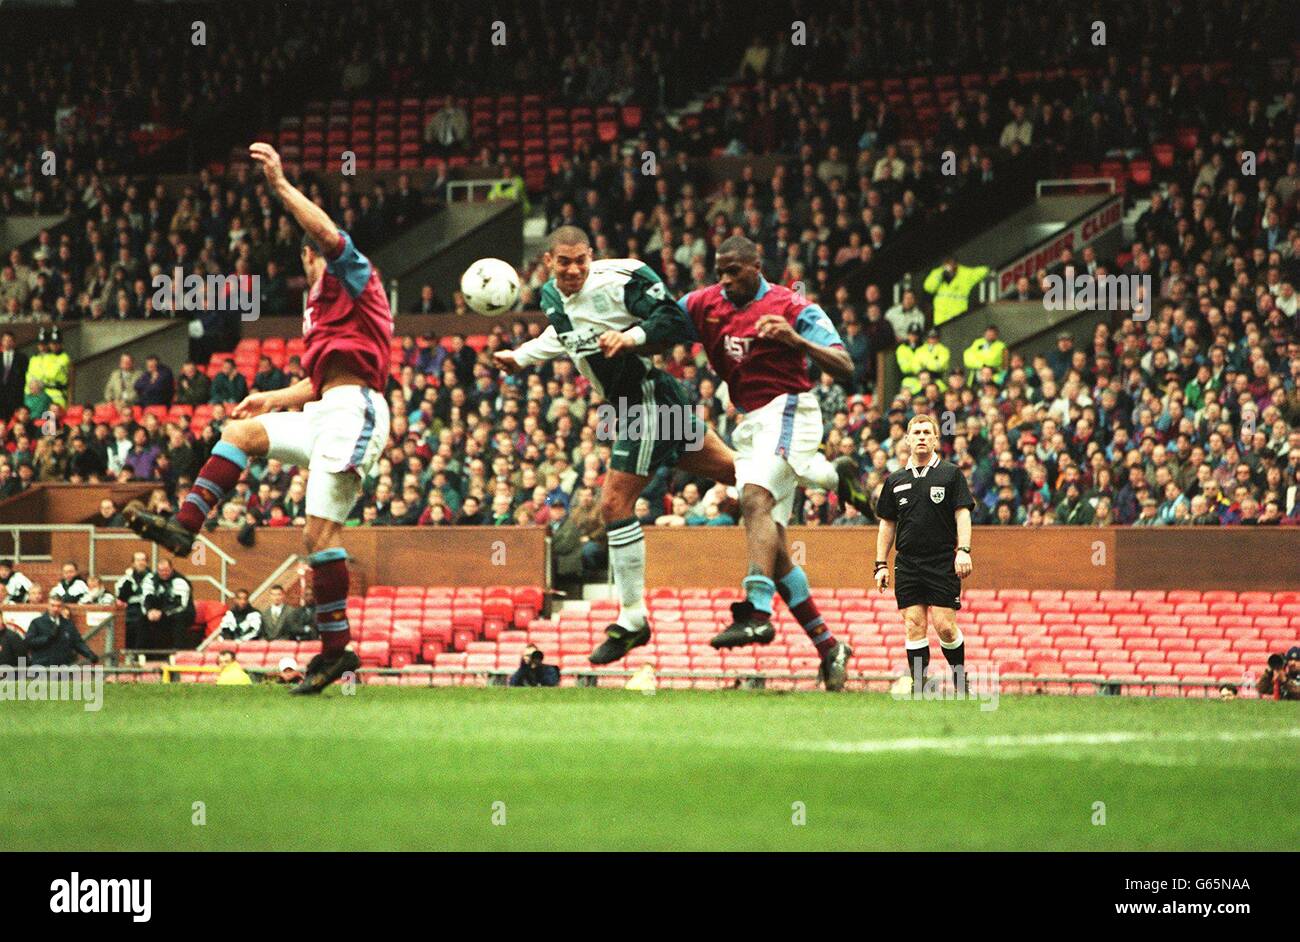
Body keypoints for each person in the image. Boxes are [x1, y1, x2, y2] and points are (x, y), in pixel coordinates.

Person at [125, 142, 393, 694]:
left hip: (357, 411)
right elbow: (317, 383)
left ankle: (336, 654)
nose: (316, 263)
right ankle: (184, 527)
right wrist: (272, 398)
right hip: (323, 409)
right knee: (238, 432)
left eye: (315, 258)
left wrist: (280, 186)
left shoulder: (357, 275)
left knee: (316, 538)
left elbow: (326, 233)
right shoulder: (317, 311)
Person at [491, 226, 735, 667]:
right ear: (549, 262)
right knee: (740, 474)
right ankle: (824, 474)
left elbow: (675, 321)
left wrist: (631, 337)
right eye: (563, 262)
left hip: (647, 400)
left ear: (590, 257)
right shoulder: (550, 297)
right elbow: (565, 338)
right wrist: (522, 356)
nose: (573, 270)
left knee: (614, 503)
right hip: (637, 405)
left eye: (580, 260)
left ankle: (632, 618)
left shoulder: (621, 280)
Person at [679, 235, 865, 690]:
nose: (725, 279)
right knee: (775, 547)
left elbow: (845, 366)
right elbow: (663, 318)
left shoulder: (790, 304)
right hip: (751, 425)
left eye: (734, 271)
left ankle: (757, 612)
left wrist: (797, 340)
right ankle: (829, 645)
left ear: (756, 265)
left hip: (790, 409)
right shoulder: (705, 303)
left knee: (753, 500)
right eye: (719, 271)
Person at [873, 414, 976, 694]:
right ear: (907, 440)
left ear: (934, 439)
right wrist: (881, 564)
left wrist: (963, 550)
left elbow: (962, 513)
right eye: (915, 432)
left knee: (944, 626)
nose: (920, 437)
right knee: (914, 624)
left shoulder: (950, 474)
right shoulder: (895, 480)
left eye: (926, 432)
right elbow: (887, 524)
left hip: (942, 561)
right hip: (907, 563)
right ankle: (920, 684)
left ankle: (959, 678)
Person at [24, 598, 99, 667]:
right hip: (43, 665)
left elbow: (77, 642)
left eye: (58, 606)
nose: (55, 609)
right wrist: (47, 638)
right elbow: (29, 642)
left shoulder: (67, 624)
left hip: (63, 666)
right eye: (53, 605)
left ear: (61, 608)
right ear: (48, 606)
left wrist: (89, 654)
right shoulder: (37, 623)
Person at [141, 557, 195, 649]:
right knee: (141, 619)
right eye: (161, 571)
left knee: (178, 619)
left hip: (181, 612)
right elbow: (145, 598)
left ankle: (177, 651)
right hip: (158, 612)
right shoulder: (151, 580)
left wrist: (162, 613)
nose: (164, 573)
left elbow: (181, 605)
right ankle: (143, 653)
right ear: (157, 570)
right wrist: (149, 611)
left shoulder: (180, 581)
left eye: (166, 570)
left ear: (171, 569)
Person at [922, 256, 989, 326]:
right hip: (941, 319)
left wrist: (961, 270)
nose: (950, 269)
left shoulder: (966, 274)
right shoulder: (937, 273)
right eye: (947, 265)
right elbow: (928, 287)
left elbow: (984, 270)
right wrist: (940, 275)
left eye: (952, 265)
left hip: (958, 318)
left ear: (956, 265)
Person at [116, 551, 153, 649]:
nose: (141, 563)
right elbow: (121, 598)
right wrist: (130, 579)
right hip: (129, 610)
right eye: (138, 560)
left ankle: (138, 654)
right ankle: (127, 654)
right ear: (133, 563)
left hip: (146, 609)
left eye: (143, 560)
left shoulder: (152, 578)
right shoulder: (125, 579)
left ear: (147, 563)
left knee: (140, 623)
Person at [0, 331, 29, 421]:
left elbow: (24, 375)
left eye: (10, 340)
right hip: (1, 393)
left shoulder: (21, 357)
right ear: (2, 342)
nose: (7, 343)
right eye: (5, 340)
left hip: (15, 394)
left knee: (14, 418)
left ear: (14, 342)